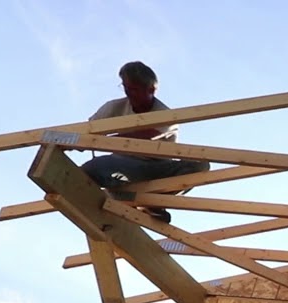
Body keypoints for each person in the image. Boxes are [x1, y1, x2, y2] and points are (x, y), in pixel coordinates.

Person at [80, 61, 209, 222]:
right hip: (124, 166)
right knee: (89, 170)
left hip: (156, 170)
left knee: (200, 165)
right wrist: (77, 141)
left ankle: (153, 201)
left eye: (134, 89)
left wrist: (97, 141)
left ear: (151, 90)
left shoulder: (165, 114)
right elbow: (88, 129)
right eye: (125, 87)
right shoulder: (114, 107)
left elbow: (142, 136)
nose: (128, 93)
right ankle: (135, 200)